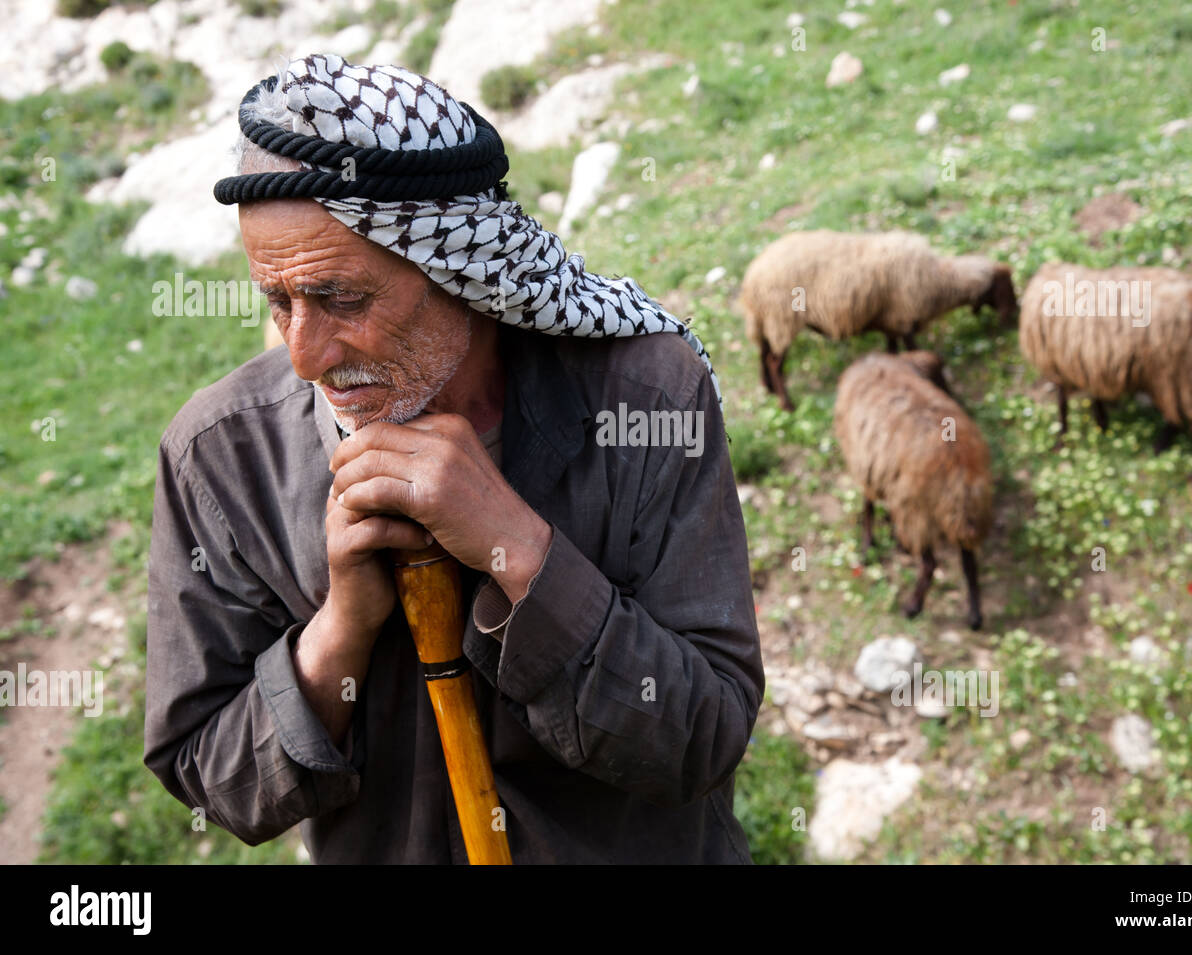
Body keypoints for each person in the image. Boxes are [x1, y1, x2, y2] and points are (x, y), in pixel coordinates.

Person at [143, 53, 764, 864]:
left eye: (342, 299)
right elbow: (212, 776)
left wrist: (521, 552)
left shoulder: (645, 397)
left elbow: (704, 734)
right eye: (279, 301)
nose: (304, 354)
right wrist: (339, 631)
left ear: (463, 272)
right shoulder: (220, 458)